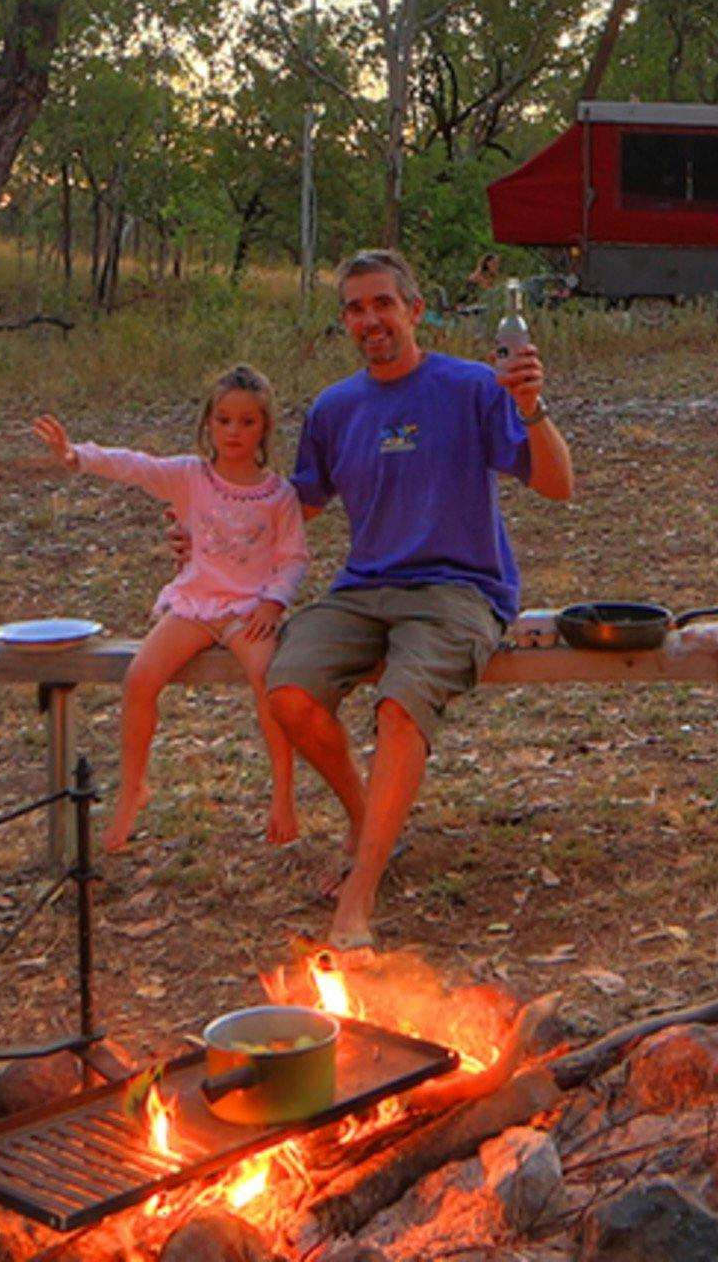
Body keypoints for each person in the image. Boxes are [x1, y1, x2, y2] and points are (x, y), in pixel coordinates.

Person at [264, 249, 573, 949]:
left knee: (399, 707)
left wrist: (532, 408)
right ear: (344, 321)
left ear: (415, 311)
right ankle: (371, 823)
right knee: (287, 692)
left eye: (383, 304)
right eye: (355, 308)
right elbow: (296, 507)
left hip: (460, 589)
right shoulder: (334, 408)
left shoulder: (472, 387)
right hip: (365, 588)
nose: (370, 319)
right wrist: (206, 525)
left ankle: (360, 894)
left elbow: (558, 486)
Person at [33, 365, 309, 852]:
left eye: (247, 422)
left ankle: (283, 793)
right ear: (208, 423)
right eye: (224, 420)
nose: (234, 432)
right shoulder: (189, 476)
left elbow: (293, 559)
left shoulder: (279, 495)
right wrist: (78, 456)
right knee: (140, 676)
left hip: (249, 610)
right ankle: (132, 789)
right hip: (196, 602)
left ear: (265, 427)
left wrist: (274, 602)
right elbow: (137, 465)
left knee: (270, 684)